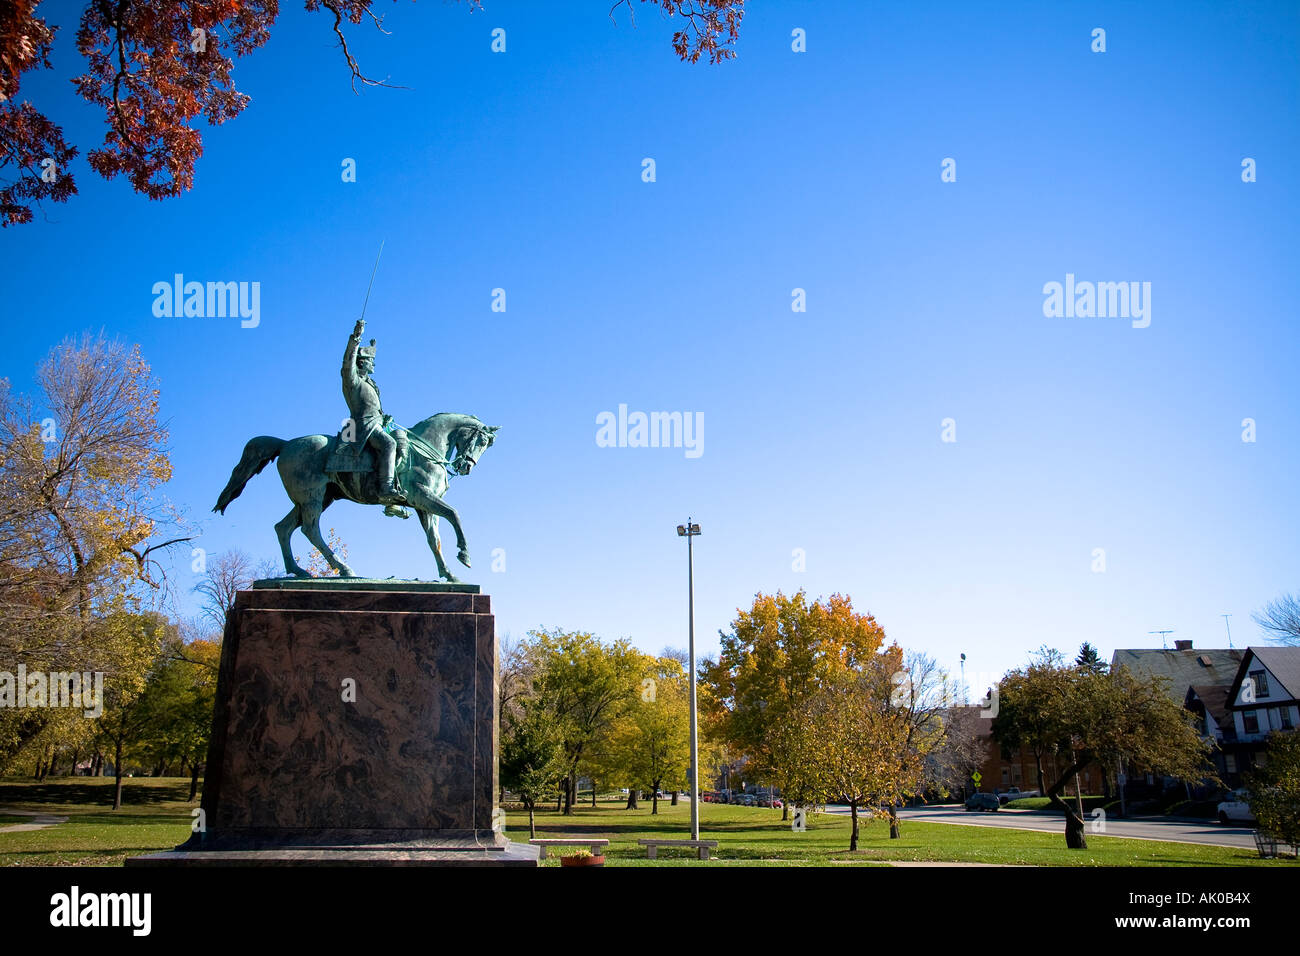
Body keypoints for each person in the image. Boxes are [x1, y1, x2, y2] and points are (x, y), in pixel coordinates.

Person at [342, 318, 406, 510]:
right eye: (371, 362)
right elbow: (347, 363)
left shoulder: (370, 384)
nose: (374, 366)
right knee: (389, 443)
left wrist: (383, 417)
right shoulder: (352, 380)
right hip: (362, 426)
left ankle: (393, 492)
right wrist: (356, 337)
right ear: (362, 362)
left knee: (402, 442)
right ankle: (386, 488)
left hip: (376, 423)